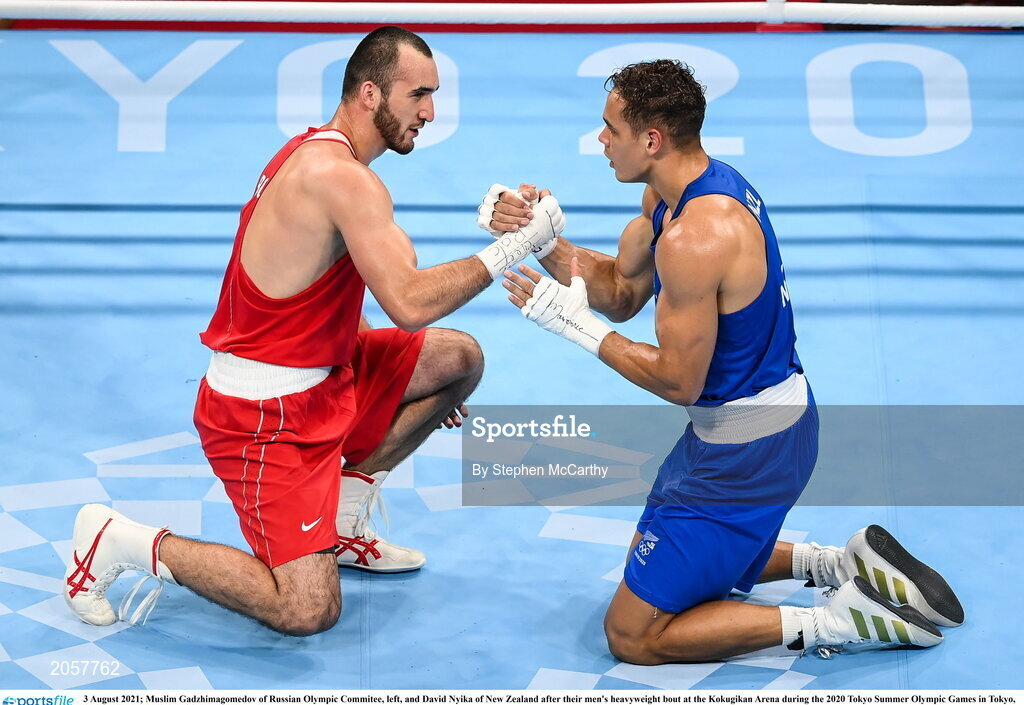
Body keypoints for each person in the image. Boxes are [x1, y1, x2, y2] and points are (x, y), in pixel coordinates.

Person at [63, 26, 562, 636]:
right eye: (419, 95)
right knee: (307, 609)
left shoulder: (323, 155)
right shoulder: (339, 177)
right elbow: (408, 302)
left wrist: (397, 372)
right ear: (371, 93)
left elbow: (337, 290)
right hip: (263, 416)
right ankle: (118, 540)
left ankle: (344, 521)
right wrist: (512, 249)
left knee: (457, 360)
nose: (431, 113)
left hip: (324, 374)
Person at [483, 59, 963, 661]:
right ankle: (839, 564)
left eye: (611, 129)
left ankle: (842, 624)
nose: (600, 141)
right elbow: (623, 292)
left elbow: (680, 380)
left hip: (750, 452)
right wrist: (543, 241)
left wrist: (575, 328)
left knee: (632, 634)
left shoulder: (697, 236)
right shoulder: (674, 193)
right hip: (742, 434)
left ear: (651, 140)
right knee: (666, 559)